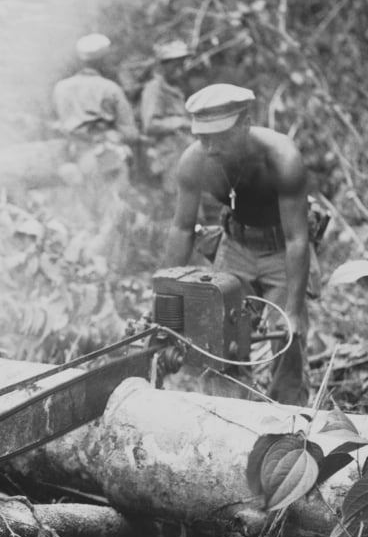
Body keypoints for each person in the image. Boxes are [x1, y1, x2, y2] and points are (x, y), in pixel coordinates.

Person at [163, 83, 315, 406]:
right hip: (234, 246)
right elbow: (181, 228)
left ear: (245, 124)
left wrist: (292, 310)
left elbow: (297, 238)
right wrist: (166, 296)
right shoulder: (194, 161)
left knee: (286, 337)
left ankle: (288, 414)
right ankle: (228, 408)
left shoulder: (282, 158)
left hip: (281, 249)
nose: (211, 148)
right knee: (219, 332)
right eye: (203, 138)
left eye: (220, 137)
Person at [52, 33, 140, 264]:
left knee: (86, 217)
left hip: (76, 156)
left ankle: (80, 264)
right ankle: (108, 265)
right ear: (103, 60)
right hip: (107, 157)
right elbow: (131, 132)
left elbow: (60, 122)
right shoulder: (110, 89)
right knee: (114, 214)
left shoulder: (61, 88)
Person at [139, 39, 191, 196]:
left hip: (183, 153)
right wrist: (179, 122)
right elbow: (150, 125)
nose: (179, 68)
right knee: (177, 201)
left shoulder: (175, 88)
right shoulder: (155, 89)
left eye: (182, 63)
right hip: (168, 157)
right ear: (163, 65)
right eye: (174, 64)